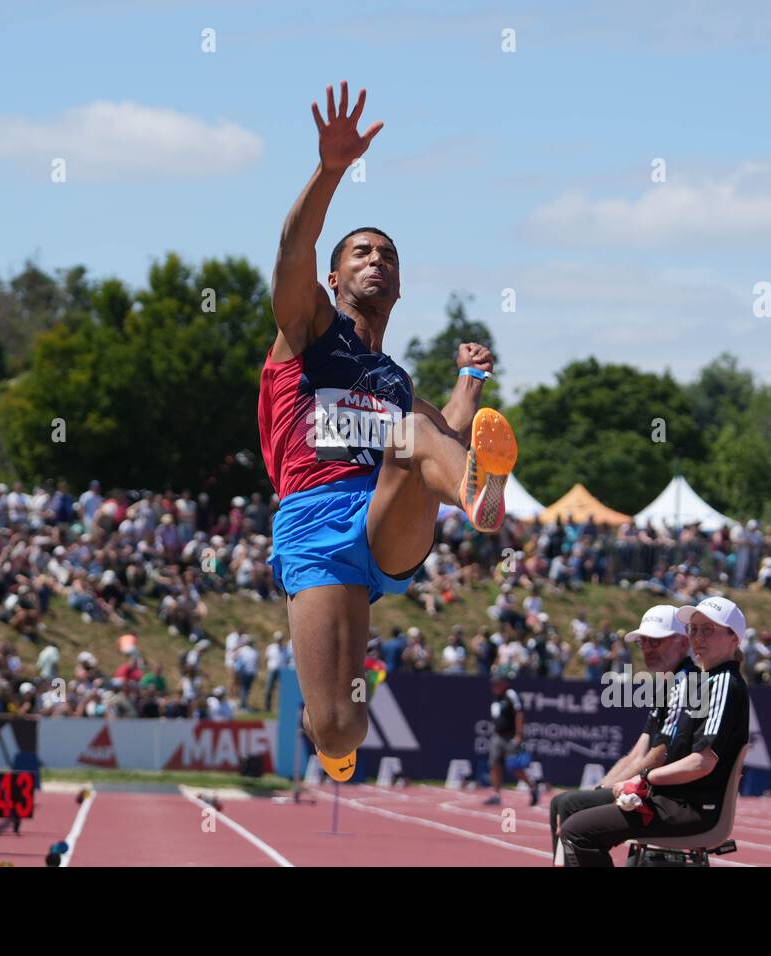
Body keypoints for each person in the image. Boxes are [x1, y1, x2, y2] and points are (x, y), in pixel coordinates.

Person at [260, 81, 517, 782]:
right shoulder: (307, 328)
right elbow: (291, 246)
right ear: (336, 277)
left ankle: (478, 503)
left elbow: (450, 434)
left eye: (388, 257)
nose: (377, 261)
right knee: (342, 726)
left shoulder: (397, 382)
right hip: (314, 521)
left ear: (398, 286)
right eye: (363, 254)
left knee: (415, 434)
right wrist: (332, 169)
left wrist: (473, 381)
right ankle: (324, 730)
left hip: (384, 513)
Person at [556, 596, 750, 867]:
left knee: (578, 830)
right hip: (675, 800)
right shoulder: (705, 682)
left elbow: (701, 762)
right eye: (694, 629)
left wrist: (644, 778)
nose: (698, 638)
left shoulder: (721, 683)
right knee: (573, 817)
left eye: (708, 630)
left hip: (691, 808)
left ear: (734, 639)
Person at [549, 605, 695, 861]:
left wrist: (616, 787)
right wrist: (602, 787)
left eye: (656, 641)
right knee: (562, 803)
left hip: (665, 797)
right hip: (650, 788)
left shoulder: (686, 682)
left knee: (568, 807)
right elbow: (637, 752)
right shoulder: (666, 684)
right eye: (644, 641)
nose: (648, 648)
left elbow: (659, 755)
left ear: (683, 643)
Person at [485, 668, 539, 807]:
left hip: (510, 736)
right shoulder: (497, 698)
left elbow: (519, 713)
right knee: (494, 764)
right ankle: (496, 794)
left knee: (516, 767)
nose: (494, 686)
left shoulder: (511, 694)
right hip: (498, 736)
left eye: (497, 683)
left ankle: (533, 787)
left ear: (504, 683)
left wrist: (519, 734)